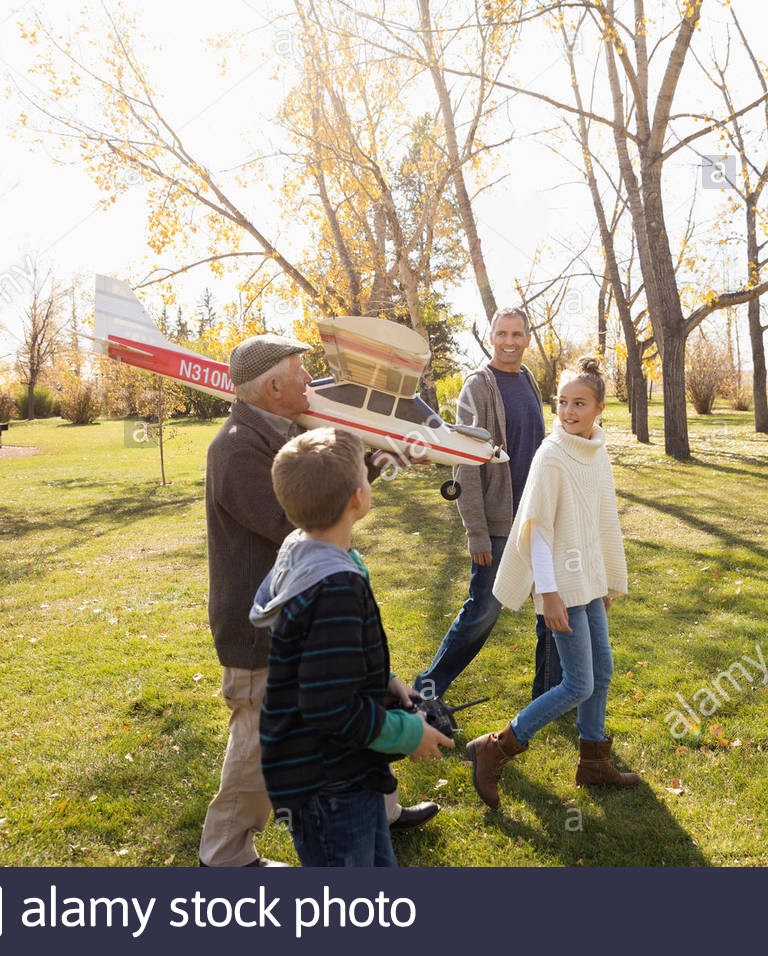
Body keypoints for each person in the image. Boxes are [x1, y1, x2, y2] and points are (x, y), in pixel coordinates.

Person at [199, 334, 435, 868]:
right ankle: (223, 856)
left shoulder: (279, 430)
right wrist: (359, 482)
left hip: (306, 611)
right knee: (257, 742)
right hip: (262, 627)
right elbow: (298, 519)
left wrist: (372, 462)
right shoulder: (237, 445)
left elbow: (322, 498)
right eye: (300, 370)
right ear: (273, 384)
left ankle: (384, 811)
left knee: (352, 696)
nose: (310, 380)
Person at [249, 427, 453, 866]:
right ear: (357, 498)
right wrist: (410, 732)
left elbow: (331, 662)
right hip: (329, 785)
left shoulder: (305, 551)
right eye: (364, 473)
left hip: (345, 775)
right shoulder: (333, 588)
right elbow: (327, 706)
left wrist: (386, 682)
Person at [466, 356, 639, 809]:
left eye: (579, 403)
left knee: (602, 670)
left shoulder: (595, 451)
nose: (567, 411)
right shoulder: (552, 454)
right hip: (559, 585)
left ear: (600, 408)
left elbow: (595, 523)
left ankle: (594, 762)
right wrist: (549, 592)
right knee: (578, 682)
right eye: (562, 402)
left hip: (587, 581)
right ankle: (496, 746)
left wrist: (601, 580)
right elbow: (538, 529)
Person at [413, 306, 562, 704]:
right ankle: (425, 691)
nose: (510, 342)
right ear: (491, 337)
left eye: (517, 334)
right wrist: (476, 532)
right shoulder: (479, 386)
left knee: (551, 602)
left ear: (528, 338)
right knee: (482, 613)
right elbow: (466, 462)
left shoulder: (528, 379)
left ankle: (549, 695)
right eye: (502, 334)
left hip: (537, 517)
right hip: (499, 524)